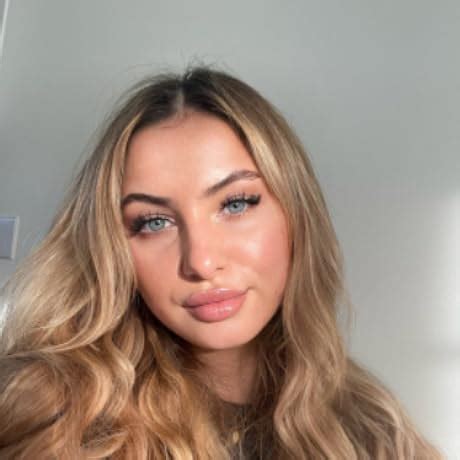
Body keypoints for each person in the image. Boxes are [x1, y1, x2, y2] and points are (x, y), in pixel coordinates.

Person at [0, 66, 442, 459]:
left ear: (296, 214)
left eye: (236, 203)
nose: (201, 261)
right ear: (111, 246)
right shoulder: (52, 414)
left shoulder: (371, 429)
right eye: (154, 222)